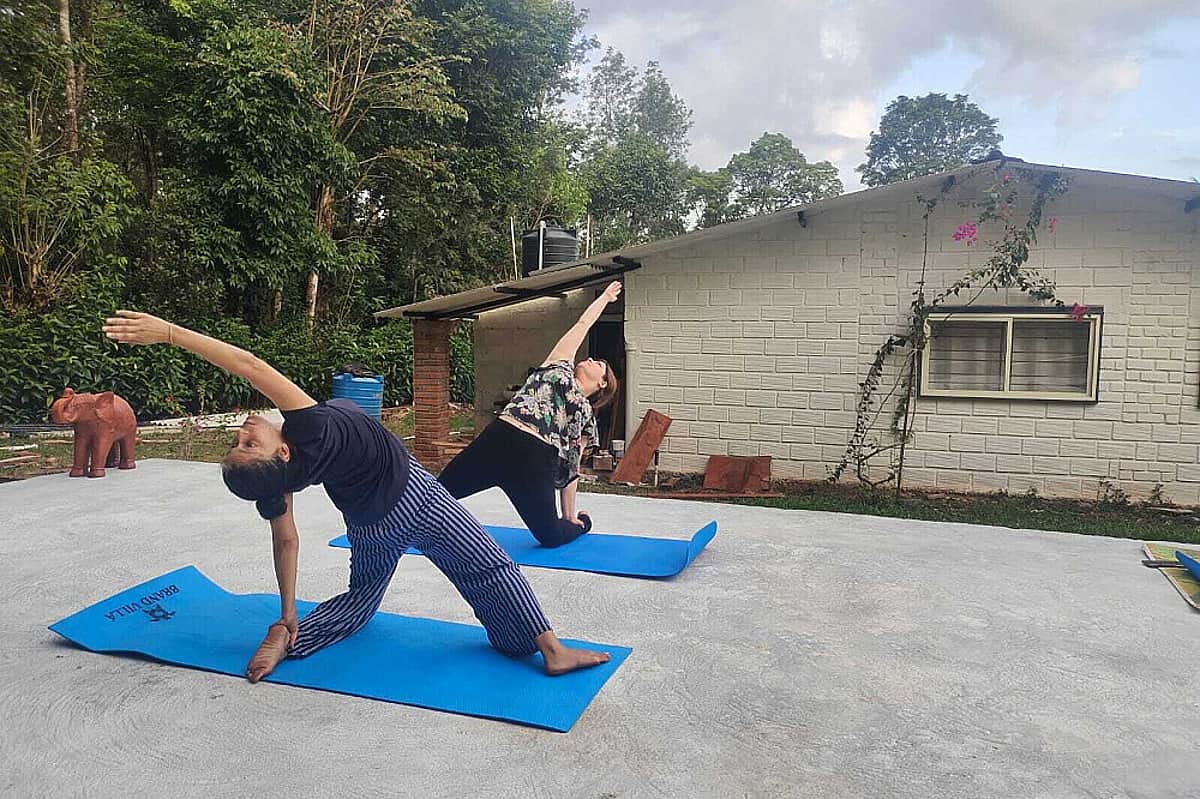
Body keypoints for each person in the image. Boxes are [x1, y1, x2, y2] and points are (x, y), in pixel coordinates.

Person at [101, 311, 610, 682]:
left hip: (368, 524)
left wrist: (287, 614)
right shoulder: (311, 426)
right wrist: (167, 332)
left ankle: (293, 639)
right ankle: (546, 648)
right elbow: (249, 365)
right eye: (248, 442)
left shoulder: (284, 478)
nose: (243, 429)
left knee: (361, 601)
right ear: (279, 453)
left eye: (237, 440)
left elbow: (286, 541)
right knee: (490, 567)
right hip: (418, 498)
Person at [437, 280, 621, 548]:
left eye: (599, 364)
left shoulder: (586, 417)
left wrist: (569, 516)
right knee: (437, 493)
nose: (591, 360)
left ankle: (581, 526)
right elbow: (582, 325)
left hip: (534, 462)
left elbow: (572, 465)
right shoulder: (558, 364)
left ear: (603, 383)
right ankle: (393, 520)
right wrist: (604, 298)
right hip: (500, 439)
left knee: (552, 537)